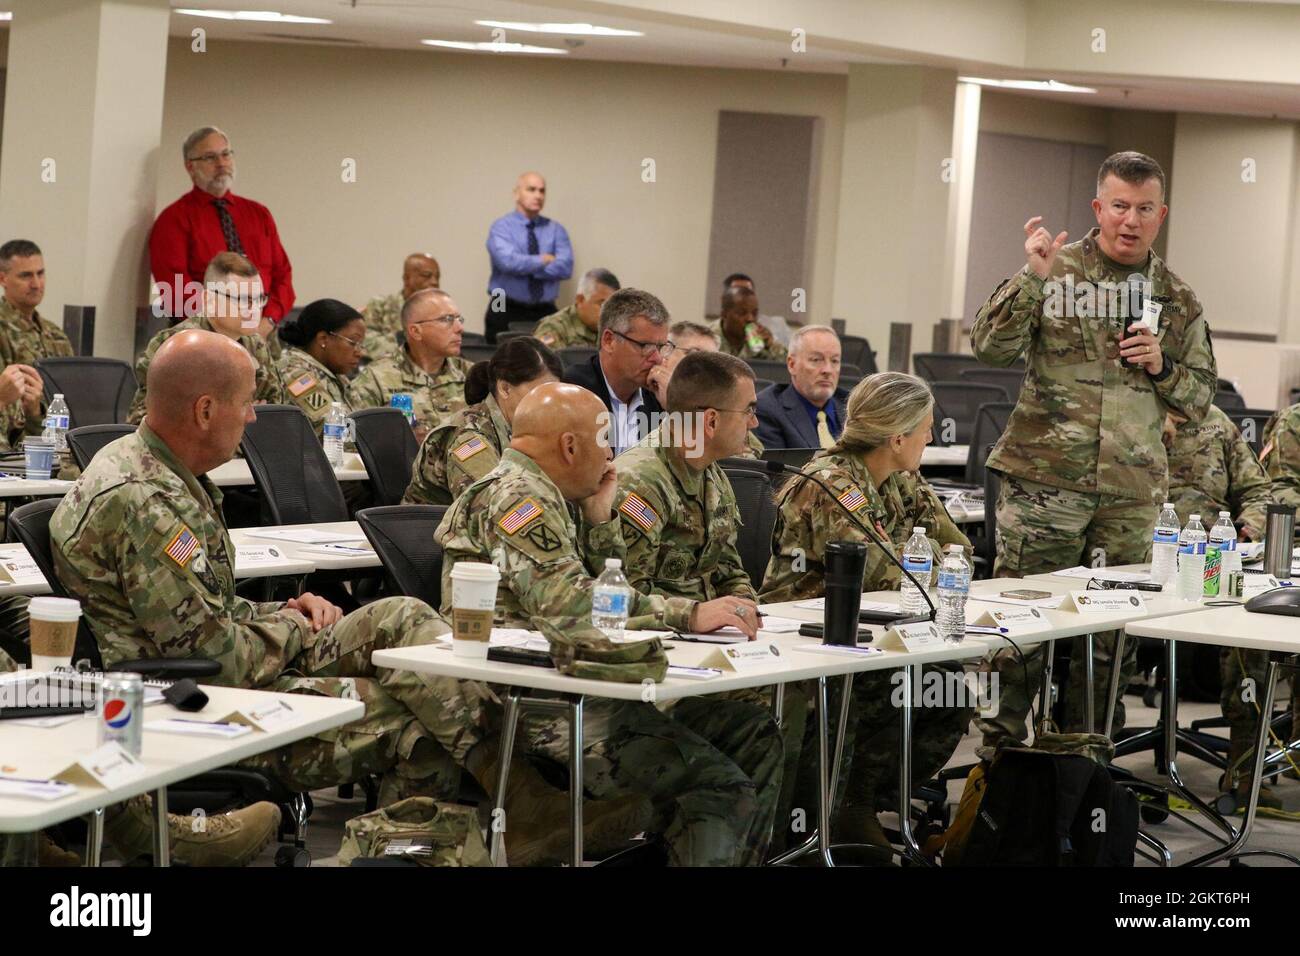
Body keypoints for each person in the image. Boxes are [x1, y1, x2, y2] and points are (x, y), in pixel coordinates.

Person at [50, 330, 641, 866]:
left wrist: (276, 610)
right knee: (410, 712)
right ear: (205, 410)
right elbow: (217, 657)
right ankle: (422, 846)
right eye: (247, 403)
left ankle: (514, 804)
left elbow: (204, 612)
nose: (255, 418)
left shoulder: (163, 470)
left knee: (403, 617)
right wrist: (298, 629)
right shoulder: (143, 500)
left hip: (225, 660)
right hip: (193, 697)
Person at [437, 381, 782, 865]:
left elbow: (607, 595)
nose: (613, 457)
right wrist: (689, 613)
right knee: (718, 786)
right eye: (605, 442)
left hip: (589, 679)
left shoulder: (559, 495)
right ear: (570, 446)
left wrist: (600, 521)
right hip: (537, 700)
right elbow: (574, 609)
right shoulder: (518, 497)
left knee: (752, 729)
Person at [970, 150, 1216, 750]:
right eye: (1119, 207)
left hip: (1130, 497)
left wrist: (1163, 367)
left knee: (1108, 644)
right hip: (1045, 484)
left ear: (1162, 214)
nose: (1129, 220)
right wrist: (1029, 277)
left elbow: (1202, 398)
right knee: (1022, 629)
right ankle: (996, 769)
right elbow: (988, 348)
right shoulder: (1054, 271)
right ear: (1097, 208)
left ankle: (1084, 775)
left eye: (1144, 209)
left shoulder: (1177, 299)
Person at [760, 373, 971, 850]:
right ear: (897, 438)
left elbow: (959, 552)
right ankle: (815, 820)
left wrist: (922, 557)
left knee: (949, 688)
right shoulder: (832, 482)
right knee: (868, 689)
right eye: (926, 429)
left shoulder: (902, 478)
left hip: (876, 630)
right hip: (807, 638)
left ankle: (856, 799)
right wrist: (921, 556)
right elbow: (882, 570)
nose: (932, 438)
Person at [615, 350, 791, 841]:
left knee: (808, 697)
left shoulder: (711, 472)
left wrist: (740, 603)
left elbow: (730, 567)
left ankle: (774, 838)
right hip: (653, 669)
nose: (756, 421)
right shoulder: (640, 482)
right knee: (785, 708)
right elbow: (617, 596)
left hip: (707, 653)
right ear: (710, 420)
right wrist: (693, 614)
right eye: (749, 410)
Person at [1162, 405, 1283, 807]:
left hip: (1211, 557)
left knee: (1251, 639)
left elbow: (1259, 491)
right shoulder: (1116, 411)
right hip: (1134, 558)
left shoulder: (1214, 422)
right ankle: (1082, 772)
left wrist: (1246, 528)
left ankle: (1245, 769)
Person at [149, 126, 294, 328]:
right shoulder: (174, 219)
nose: (221, 163)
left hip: (262, 331)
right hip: (203, 332)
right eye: (210, 157)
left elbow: (283, 275)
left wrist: (267, 321)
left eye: (226, 154)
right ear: (190, 167)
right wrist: (224, 325)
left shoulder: (259, 214)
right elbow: (175, 288)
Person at [129, 252, 284, 424]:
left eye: (259, 299)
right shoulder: (176, 346)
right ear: (209, 299)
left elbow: (274, 414)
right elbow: (142, 420)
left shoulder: (257, 345)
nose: (255, 309)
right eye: (243, 299)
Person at [404, 337, 561, 505]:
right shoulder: (469, 438)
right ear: (505, 388)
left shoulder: (527, 426)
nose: (547, 402)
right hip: (431, 528)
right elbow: (491, 507)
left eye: (553, 393)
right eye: (539, 392)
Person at [351, 288, 472, 442]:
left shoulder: (473, 375)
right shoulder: (376, 379)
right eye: (447, 320)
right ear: (415, 331)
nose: (459, 328)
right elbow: (351, 442)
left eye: (459, 319)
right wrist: (396, 439)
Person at [562, 288, 668, 456]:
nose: (658, 359)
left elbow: (688, 462)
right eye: (646, 346)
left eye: (661, 347)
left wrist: (673, 405)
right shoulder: (574, 392)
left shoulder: (659, 396)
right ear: (609, 341)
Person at [642, 320, 763, 459]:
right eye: (694, 356)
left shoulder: (718, 402)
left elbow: (752, 456)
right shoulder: (639, 396)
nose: (705, 369)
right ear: (665, 354)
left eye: (714, 364)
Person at [484, 172, 573, 343]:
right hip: (502, 301)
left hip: (543, 306)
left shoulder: (555, 229)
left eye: (542, 191)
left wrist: (524, 266)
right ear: (516, 193)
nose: (538, 195)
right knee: (497, 355)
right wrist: (543, 260)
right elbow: (507, 262)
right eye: (531, 189)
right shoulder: (501, 227)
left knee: (549, 357)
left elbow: (565, 267)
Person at [276, 299, 364, 437]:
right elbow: (335, 432)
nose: (360, 352)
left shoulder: (337, 376)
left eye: (361, 345)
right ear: (323, 339)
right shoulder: (294, 372)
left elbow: (362, 422)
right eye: (353, 342)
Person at [754, 324, 849, 450]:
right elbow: (777, 469)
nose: (827, 370)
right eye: (816, 360)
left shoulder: (852, 407)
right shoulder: (768, 409)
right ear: (792, 365)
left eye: (835, 361)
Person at [361, 253, 441, 364]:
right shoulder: (381, 305)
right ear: (407, 278)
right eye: (426, 275)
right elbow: (365, 338)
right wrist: (408, 353)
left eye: (437, 277)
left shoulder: (440, 313)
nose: (434, 282)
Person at [533, 267, 618, 350]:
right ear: (580, 299)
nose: (609, 312)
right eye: (602, 304)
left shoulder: (618, 330)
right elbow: (542, 362)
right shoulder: (554, 328)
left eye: (613, 306)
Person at [713, 285, 786, 361]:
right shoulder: (707, 339)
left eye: (754, 313)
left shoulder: (758, 340)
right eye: (742, 313)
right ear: (724, 314)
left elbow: (790, 366)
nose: (750, 319)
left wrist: (771, 345)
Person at [724, 273, 797, 347]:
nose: (750, 318)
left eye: (748, 292)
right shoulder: (714, 333)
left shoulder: (777, 326)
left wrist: (771, 345)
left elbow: (791, 355)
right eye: (738, 292)